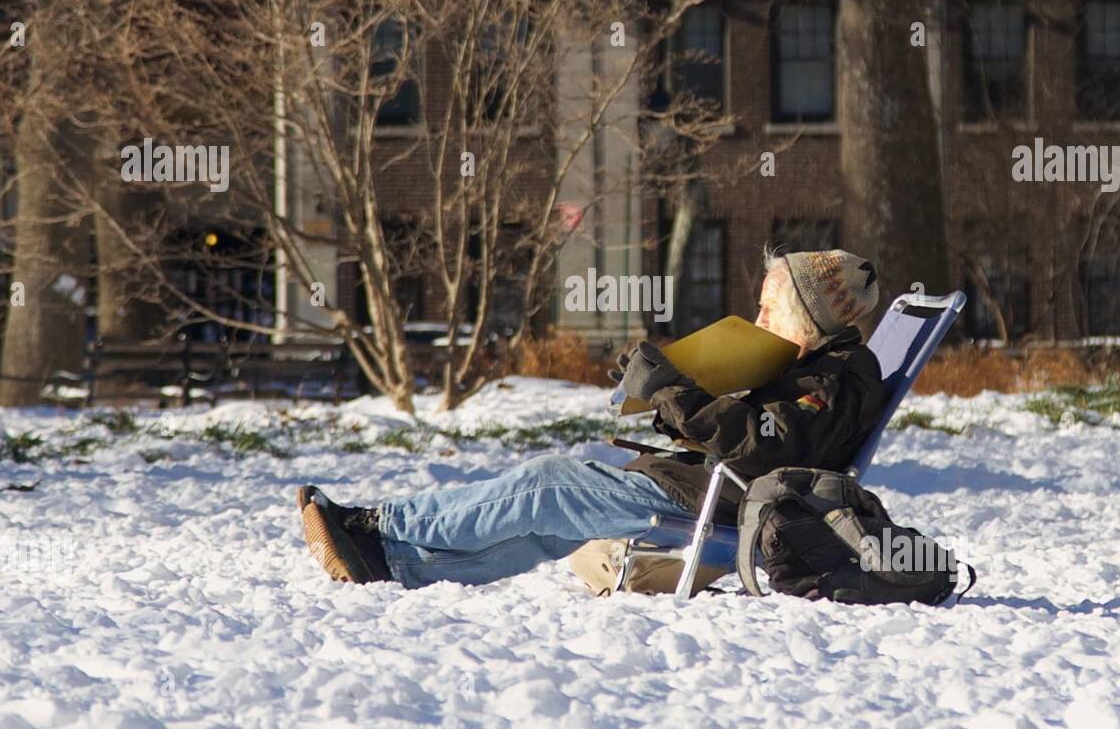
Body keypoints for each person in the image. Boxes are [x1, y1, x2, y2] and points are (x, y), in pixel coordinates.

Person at [297, 247, 887, 587]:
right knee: (548, 529)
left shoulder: (835, 378)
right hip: (706, 485)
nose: (757, 319)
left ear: (807, 315)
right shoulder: (810, 367)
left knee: (546, 483)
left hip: (725, 500)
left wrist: (676, 391)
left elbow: (763, 446)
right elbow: (747, 431)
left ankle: (376, 525)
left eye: (767, 308)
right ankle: (387, 564)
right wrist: (666, 393)